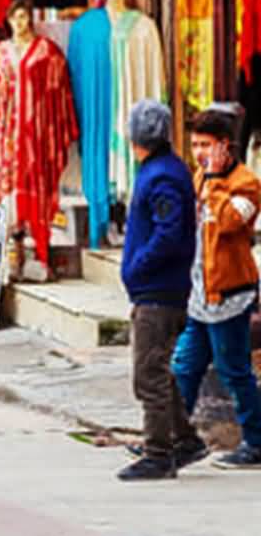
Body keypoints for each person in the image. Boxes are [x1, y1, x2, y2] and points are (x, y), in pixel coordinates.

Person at [172, 105, 261, 469]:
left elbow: (229, 222)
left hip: (230, 295)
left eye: (206, 145)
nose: (199, 153)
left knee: (234, 370)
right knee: (183, 367)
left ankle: (255, 442)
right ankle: (172, 439)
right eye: (195, 145)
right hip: (200, 295)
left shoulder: (246, 183)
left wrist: (213, 182)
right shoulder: (200, 179)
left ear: (225, 146)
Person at [118, 98, 199, 482]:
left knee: (147, 372)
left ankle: (158, 452)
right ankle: (185, 438)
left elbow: (169, 233)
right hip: (157, 287)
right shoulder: (160, 169)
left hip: (159, 291)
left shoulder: (162, 176)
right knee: (160, 370)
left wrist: (139, 266)